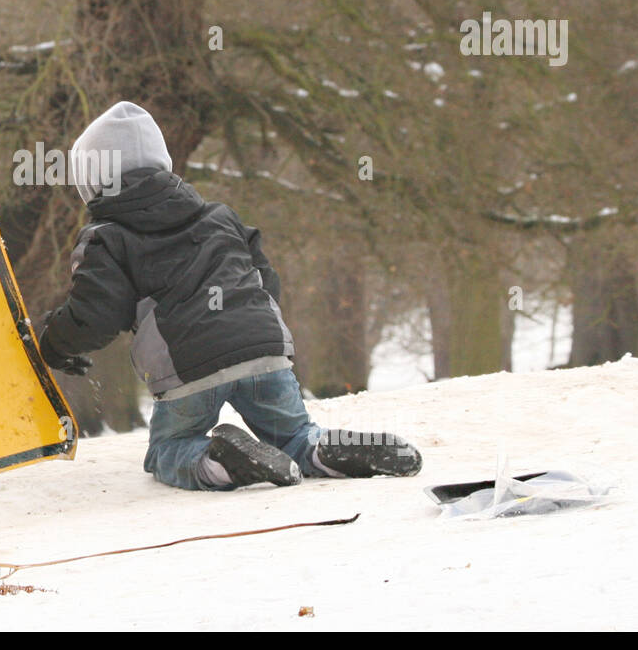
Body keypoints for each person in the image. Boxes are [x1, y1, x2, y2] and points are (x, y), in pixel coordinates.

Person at [36, 101, 422, 491]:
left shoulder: (106, 237)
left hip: (188, 371)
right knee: (293, 436)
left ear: (92, 180)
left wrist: (54, 344)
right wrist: (248, 330)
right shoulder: (220, 216)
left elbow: (97, 314)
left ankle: (219, 461)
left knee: (169, 449)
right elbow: (265, 281)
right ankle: (321, 449)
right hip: (264, 352)